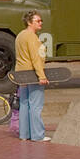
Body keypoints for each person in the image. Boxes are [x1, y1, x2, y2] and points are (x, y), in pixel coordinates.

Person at [15, 10, 51, 141]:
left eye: (41, 21)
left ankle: (24, 134)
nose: (41, 23)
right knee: (36, 105)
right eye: (38, 21)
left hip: (21, 73)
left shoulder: (20, 35)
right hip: (32, 74)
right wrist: (41, 76)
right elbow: (36, 58)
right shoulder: (32, 37)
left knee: (24, 104)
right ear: (30, 22)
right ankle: (37, 135)